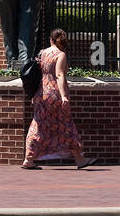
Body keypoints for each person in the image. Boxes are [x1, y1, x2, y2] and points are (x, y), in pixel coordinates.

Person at [21, 28, 96, 170]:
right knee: (66, 125)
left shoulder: (43, 53)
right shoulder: (60, 55)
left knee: (38, 125)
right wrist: (63, 96)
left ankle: (28, 159)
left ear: (51, 40)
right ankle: (80, 159)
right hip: (54, 94)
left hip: (40, 93)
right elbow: (60, 75)